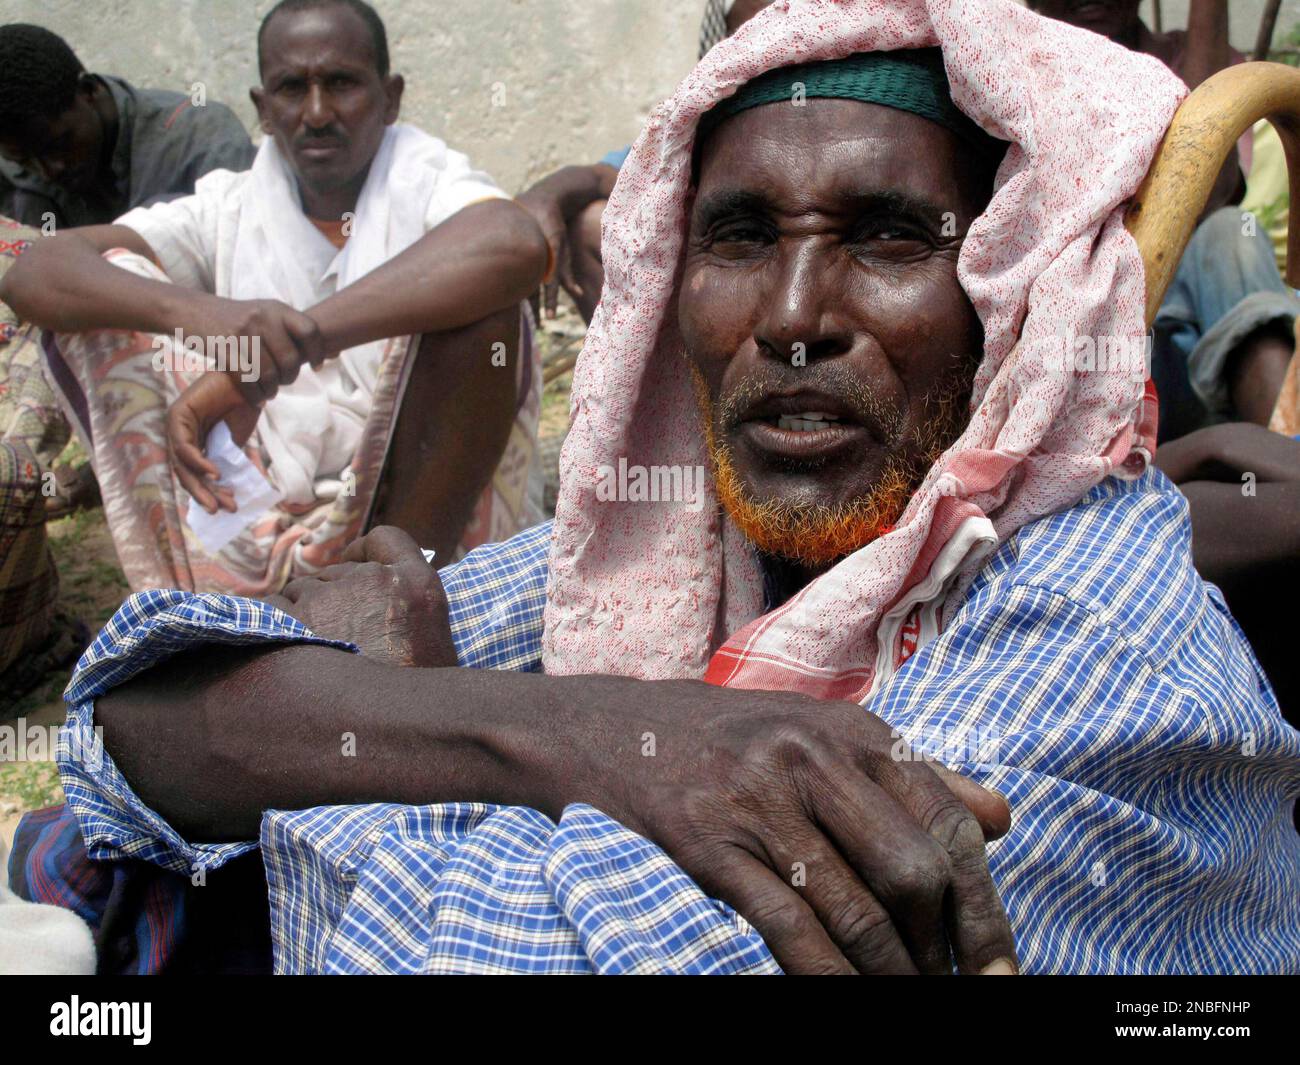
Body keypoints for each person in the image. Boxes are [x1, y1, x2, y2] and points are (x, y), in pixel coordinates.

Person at [11, 0, 1300, 975]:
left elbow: (428, 953)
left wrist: (395, 709)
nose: (792, 318)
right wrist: (606, 732)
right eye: (737, 238)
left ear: (1014, 298)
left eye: (890, 237)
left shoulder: (1104, 658)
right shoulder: (684, 546)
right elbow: (132, 723)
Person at [0, 0, 551, 596]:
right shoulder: (229, 205)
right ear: (263, 109)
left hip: (421, 508)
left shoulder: (426, 178)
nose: (317, 113)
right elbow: (36, 272)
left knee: (487, 311)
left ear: (389, 97)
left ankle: (405, 600)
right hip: (260, 511)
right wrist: (207, 318)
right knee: (104, 288)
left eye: (341, 84)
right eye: (292, 88)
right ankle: (210, 600)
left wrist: (268, 361)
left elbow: (514, 241)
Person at [1029, 0, 1300, 439]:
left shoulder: (1191, 60)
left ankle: (1289, 450)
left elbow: (1208, 191)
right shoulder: (1020, 73)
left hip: (1205, 333)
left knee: (1231, 232)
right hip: (1098, 342)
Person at [518, 0, 773, 323]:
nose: (779, 49)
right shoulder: (709, 128)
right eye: (756, 39)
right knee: (593, 224)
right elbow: (611, 177)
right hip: (721, 308)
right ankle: (637, 372)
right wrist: (543, 200)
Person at [0, 23, 256, 230]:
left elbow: (248, 259)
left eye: (59, 145)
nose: (49, 171)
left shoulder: (201, 139)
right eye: (24, 161)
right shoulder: (12, 172)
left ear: (89, 91)